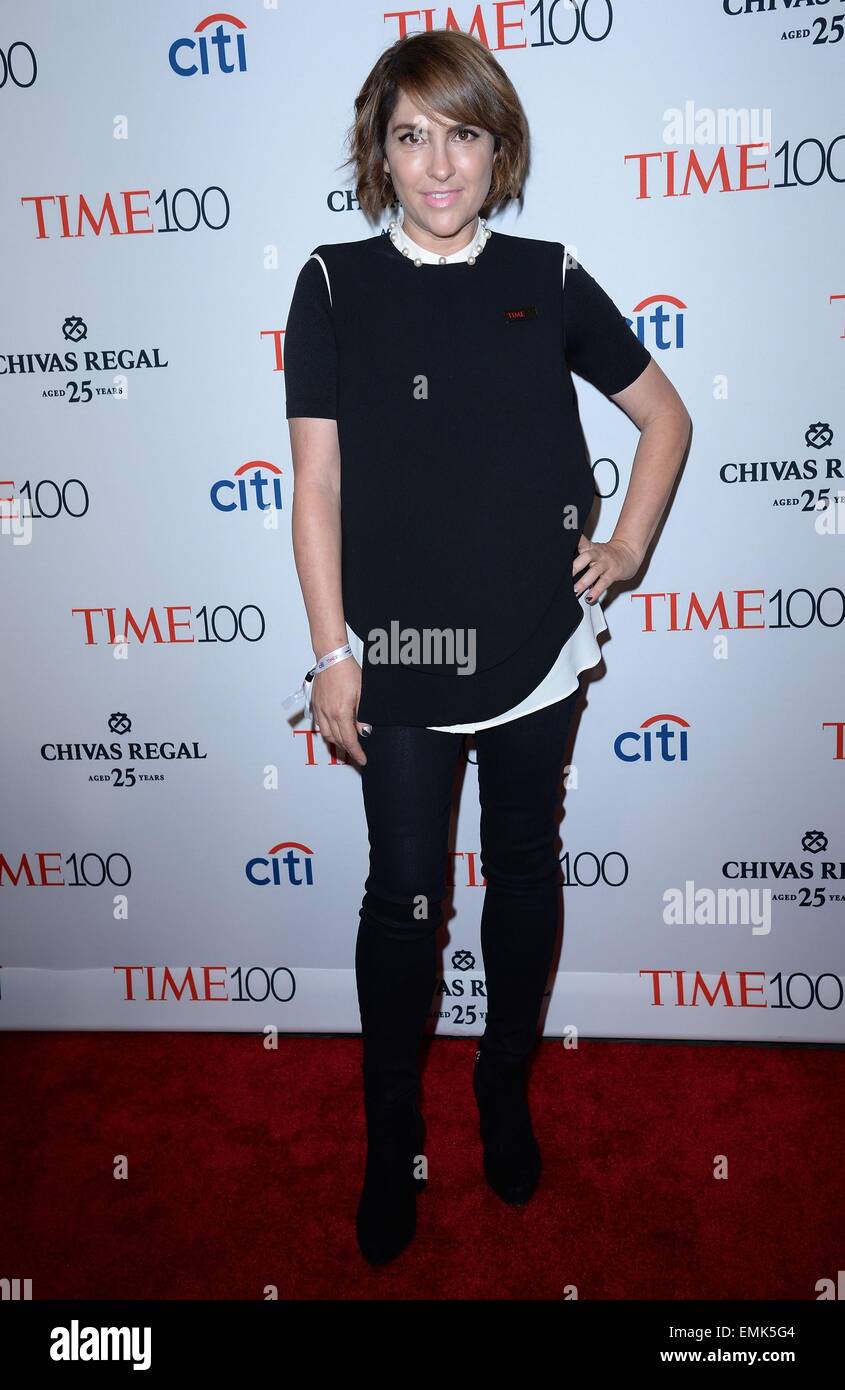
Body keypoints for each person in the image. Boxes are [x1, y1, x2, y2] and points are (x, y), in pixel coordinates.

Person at [283, 29, 691, 1267]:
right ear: (380, 152)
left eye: (461, 133)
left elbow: (662, 415)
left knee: (522, 876)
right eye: (411, 136)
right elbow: (314, 488)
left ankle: (501, 1089)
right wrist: (329, 650)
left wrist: (622, 549)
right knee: (404, 909)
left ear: (496, 146)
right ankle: (390, 1134)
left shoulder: (547, 273)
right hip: (396, 655)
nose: (438, 162)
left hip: (533, 646)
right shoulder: (330, 283)